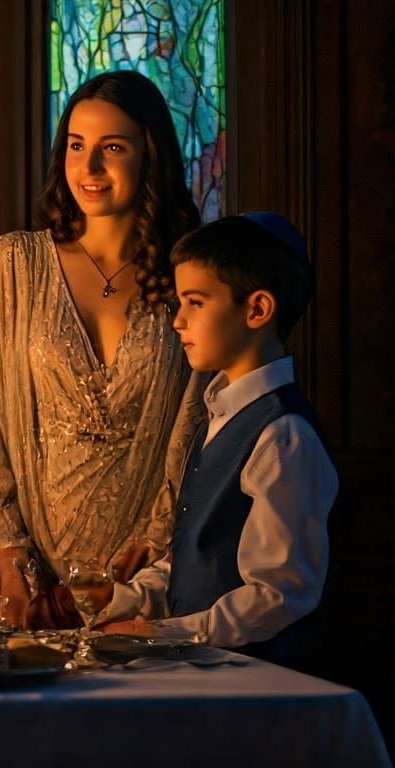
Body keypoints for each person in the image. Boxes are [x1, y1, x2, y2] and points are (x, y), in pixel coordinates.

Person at [0, 70, 204, 629]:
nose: (88, 167)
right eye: (75, 145)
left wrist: (155, 547)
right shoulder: (13, 265)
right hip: (25, 585)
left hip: (146, 582)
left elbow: (197, 424)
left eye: (112, 148)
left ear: (151, 155)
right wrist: (11, 562)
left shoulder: (187, 275)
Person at [93, 213, 336, 664]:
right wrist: (121, 599)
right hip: (205, 671)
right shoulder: (220, 417)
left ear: (257, 310)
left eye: (195, 302)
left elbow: (280, 593)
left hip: (255, 680)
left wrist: (162, 633)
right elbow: (196, 559)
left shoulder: (282, 436)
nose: (178, 321)